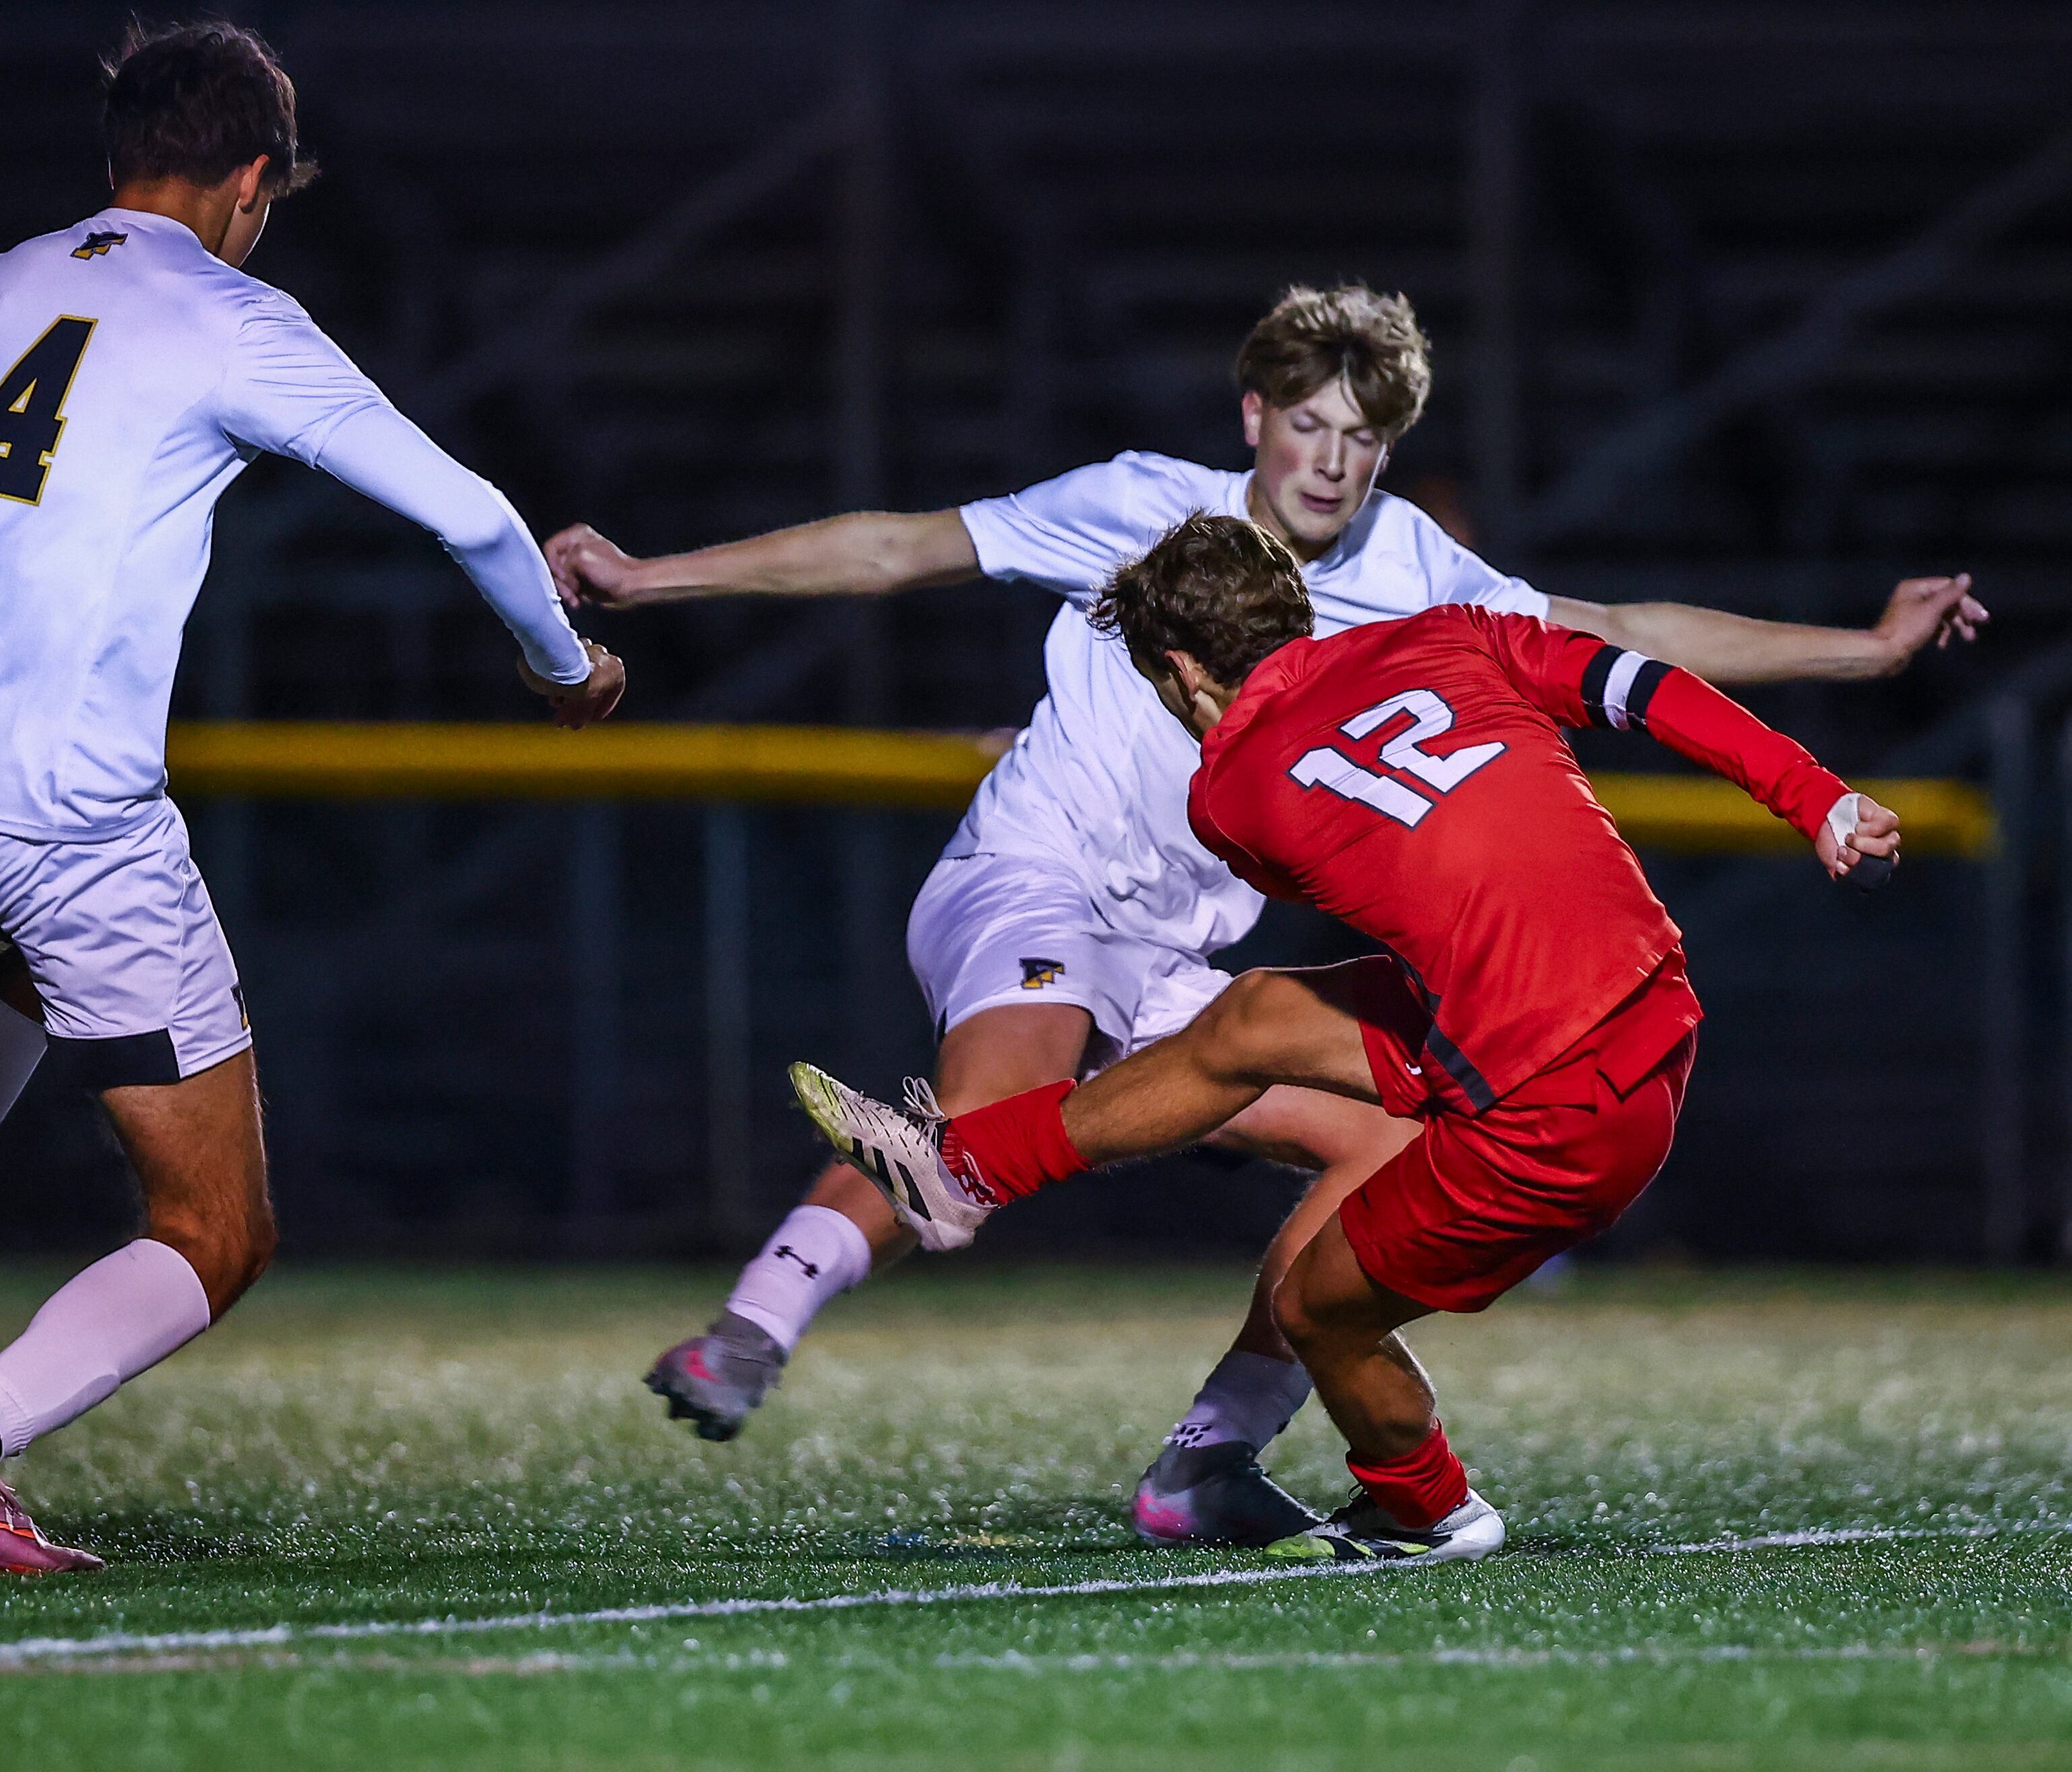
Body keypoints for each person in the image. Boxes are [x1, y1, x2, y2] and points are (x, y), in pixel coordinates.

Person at [550, 284, 1975, 1546]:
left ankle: (1207, 1461)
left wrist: (1864, 648)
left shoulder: (1416, 570)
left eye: (1366, 438)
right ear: (1255, 414)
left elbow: (1627, 636)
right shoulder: (1137, 504)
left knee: (1388, 1149)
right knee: (1007, 1102)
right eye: (1310, 424)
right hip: (1036, 878)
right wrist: (649, 578)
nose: (1335, 462)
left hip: (1185, 949)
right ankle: (753, 1328)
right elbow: (895, 550)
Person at [0, 22, 624, 1573]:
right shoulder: (236, 317)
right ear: (251, 182)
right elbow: (479, 517)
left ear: (115, 162)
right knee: (217, 1232)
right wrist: (562, 666)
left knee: (35, 967)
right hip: (64, 813)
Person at [792, 511, 1899, 1563]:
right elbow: (1642, 684)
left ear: (1182, 671)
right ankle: (962, 1166)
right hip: (1647, 1010)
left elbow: (1308, 825)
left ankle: (1431, 1507)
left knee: (1313, 1304)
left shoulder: (1229, 793)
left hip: (1549, 1107)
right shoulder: (1454, 631)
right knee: (1259, 1014)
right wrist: (1817, 799)